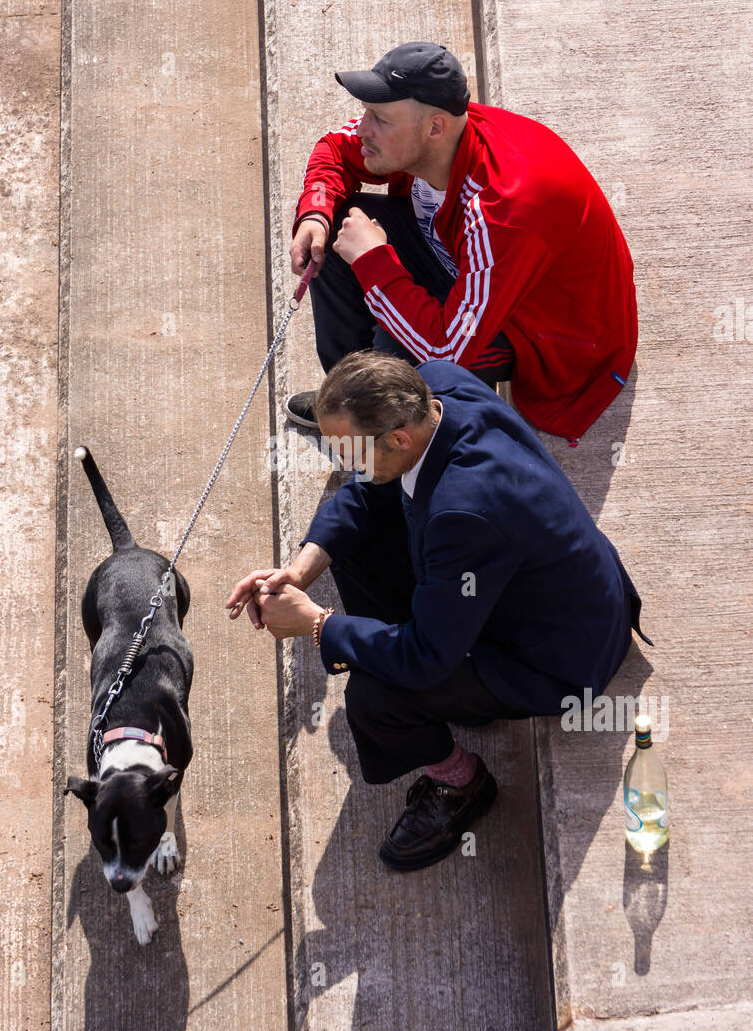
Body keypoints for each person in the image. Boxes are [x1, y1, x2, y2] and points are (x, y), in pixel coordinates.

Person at [227, 352, 651, 872]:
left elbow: (426, 657)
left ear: (399, 439)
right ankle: (413, 645)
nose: (345, 462)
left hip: (557, 657)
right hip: (543, 588)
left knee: (375, 692)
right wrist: (299, 569)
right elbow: (364, 491)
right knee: (353, 540)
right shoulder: (437, 385)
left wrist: (317, 624)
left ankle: (461, 784)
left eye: (349, 449)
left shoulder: (463, 511)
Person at [286, 41, 638, 446]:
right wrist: (315, 211)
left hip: (541, 329)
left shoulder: (504, 208)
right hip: (462, 258)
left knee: (399, 352)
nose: (363, 127)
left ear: (435, 127)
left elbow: (448, 350)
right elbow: (334, 147)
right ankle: (348, 400)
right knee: (332, 229)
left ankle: (376, 422)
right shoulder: (439, 137)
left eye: (380, 118)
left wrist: (374, 262)